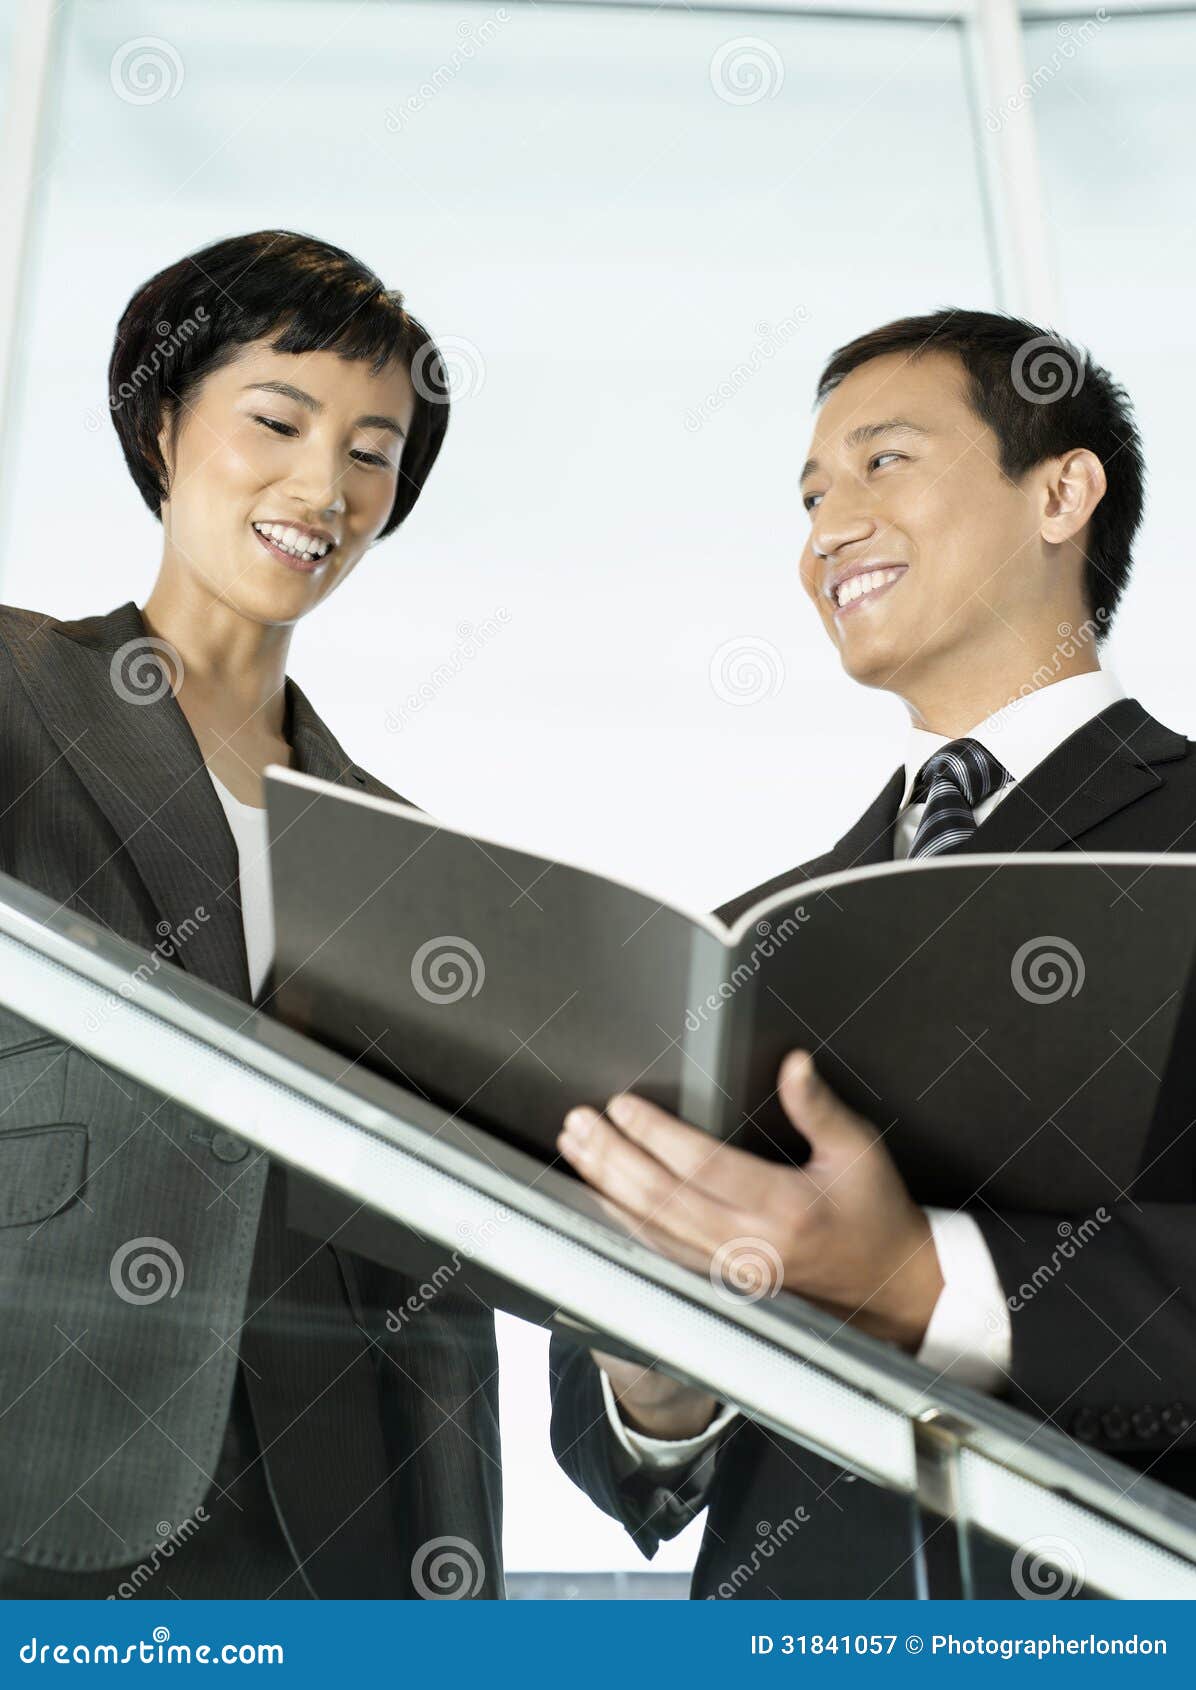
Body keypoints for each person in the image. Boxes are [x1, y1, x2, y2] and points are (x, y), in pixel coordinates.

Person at [550, 308, 1196, 1599]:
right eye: (808, 496)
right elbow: (636, 1455)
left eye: (882, 464)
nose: (826, 530)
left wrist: (919, 1278)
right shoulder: (766, 921)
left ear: (1063, 490)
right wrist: (655, 1376)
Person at [0, 230, 501, 1599]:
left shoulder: (396, 843)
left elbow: (439, 1266)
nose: (322, 485)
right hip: (41, 1451)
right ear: (165, 425)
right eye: (278, 420)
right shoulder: (13, 683)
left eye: (371, 450)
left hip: (337, 1519)